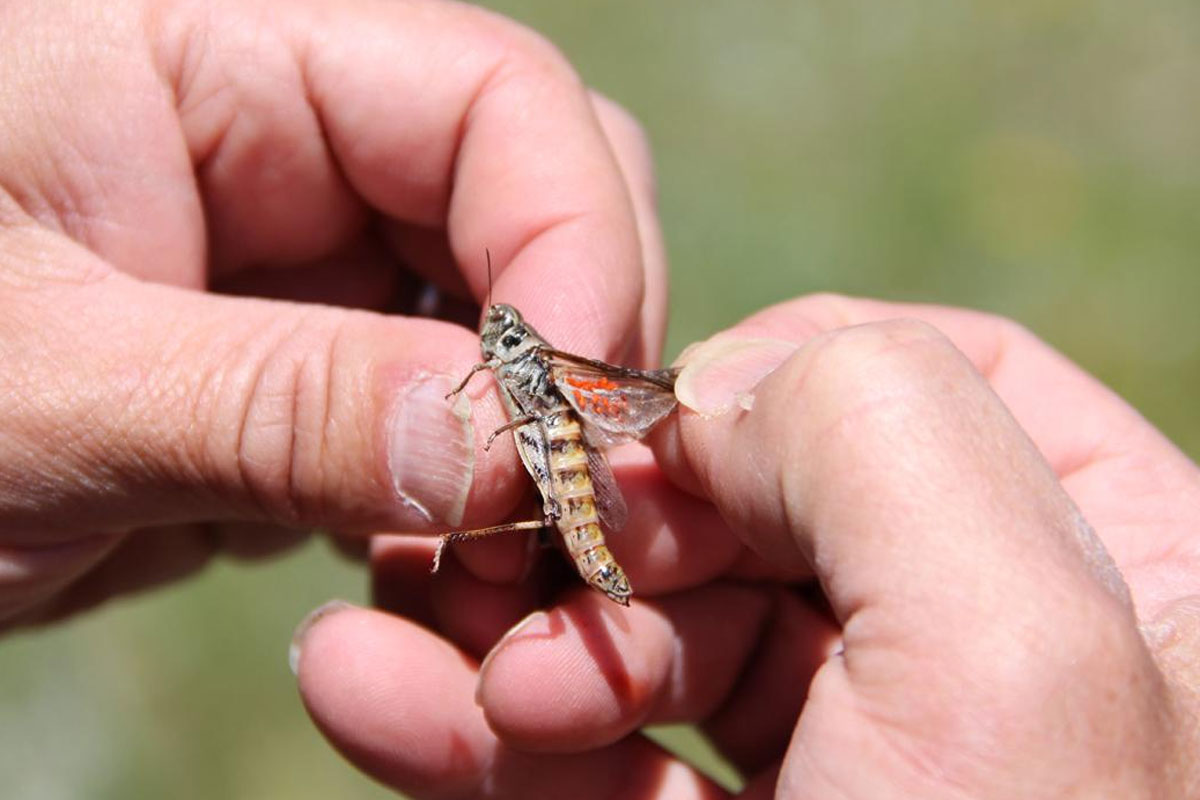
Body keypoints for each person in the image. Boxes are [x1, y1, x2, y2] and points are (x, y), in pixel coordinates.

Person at [3, 2, 1197, 799]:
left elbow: (594, 399)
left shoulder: (529, 367)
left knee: (558, 496)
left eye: (499, 326)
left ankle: (572, 556)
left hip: (573, 470)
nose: (492, 330)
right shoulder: (498, 354)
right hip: (561, 467)